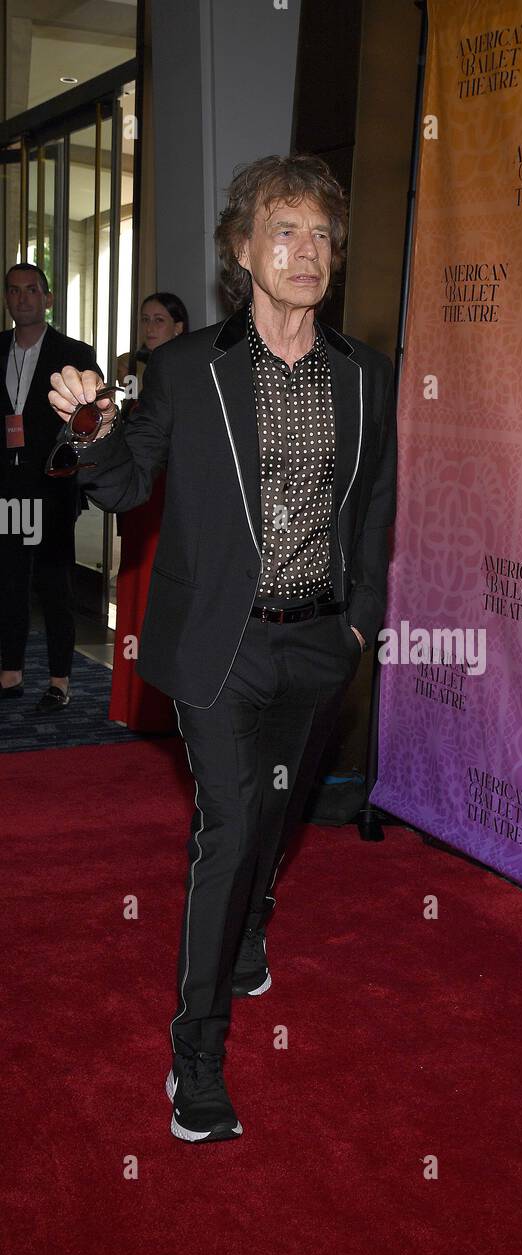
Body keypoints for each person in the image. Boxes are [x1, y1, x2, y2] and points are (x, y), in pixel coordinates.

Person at [48, 153, 397, 1144]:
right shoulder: (187, 369)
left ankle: (252, 921)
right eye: (284, 232)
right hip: (222, 649)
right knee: (231, 829)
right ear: (241, 251)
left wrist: (361, 622)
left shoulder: (367, 376)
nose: (307, 252)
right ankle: (194, 1057)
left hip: (320, 645)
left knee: (278, 820)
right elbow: (120, 488)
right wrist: (89, 431)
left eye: (323, 235)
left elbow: (374, 509)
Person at [0, 263, 101, 711]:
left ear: (48, 299)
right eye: (14, 291)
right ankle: (11, 672)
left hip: (51, 487)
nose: (22, 298)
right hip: (5, 486)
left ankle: (60, 680)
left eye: (31, 290)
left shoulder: (74, 352)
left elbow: (95, 414)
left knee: (53, 584)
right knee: (8, 582)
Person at [109, 293, 190, 733]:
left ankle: (162, 709)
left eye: (160, 319)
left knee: (163, 597)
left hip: (171, 498)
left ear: (180, 327)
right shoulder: (135, 370)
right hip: (140, 497)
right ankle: (131, 703)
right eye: (145, 319)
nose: (150, 327)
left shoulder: (187, 370)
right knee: (134, 587)